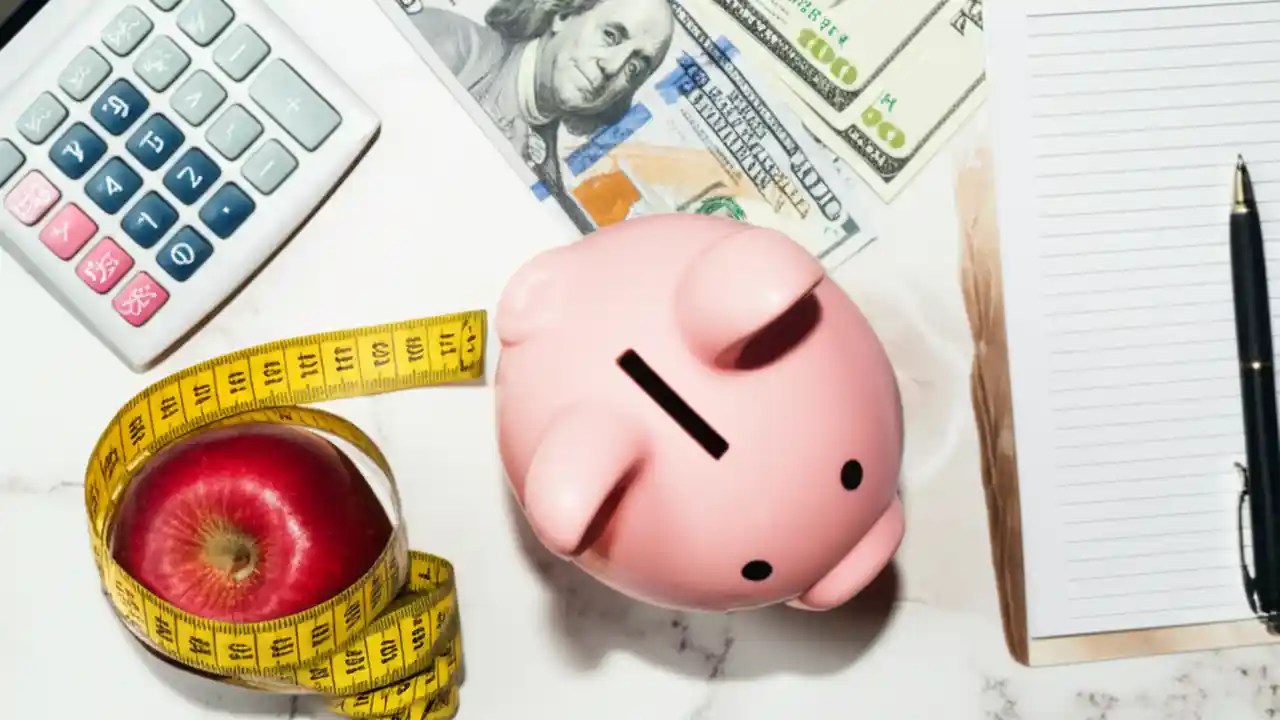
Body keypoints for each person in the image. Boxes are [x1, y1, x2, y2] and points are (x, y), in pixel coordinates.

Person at [408, 0, 675, 230]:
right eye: (611, 36)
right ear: (565, 14)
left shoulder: (548, 189)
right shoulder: (449, 44)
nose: (612, 67)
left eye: (635, 68)